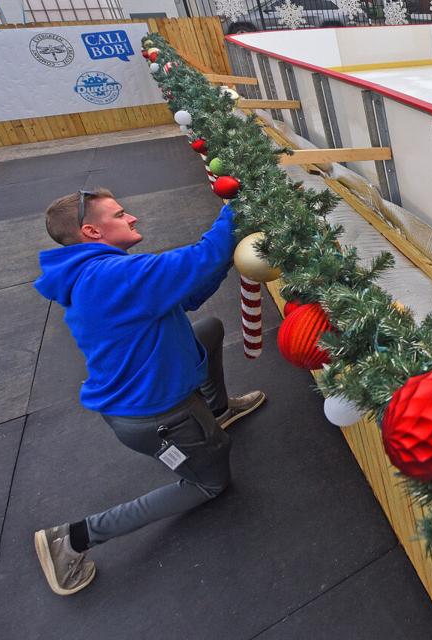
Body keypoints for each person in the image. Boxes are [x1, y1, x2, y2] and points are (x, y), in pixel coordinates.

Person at [31, 187, 266, 596]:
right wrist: (238, 207)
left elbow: (190, 293)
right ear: (91, 230)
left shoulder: (96, 271)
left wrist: (230, 254)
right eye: (120, 214)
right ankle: (72, 539)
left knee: (207, 330)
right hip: (161, 418)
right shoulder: (111, 276)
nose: (132, 217)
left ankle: (218, 410)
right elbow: (200, 258)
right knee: (208, 483)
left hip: (144, 398)